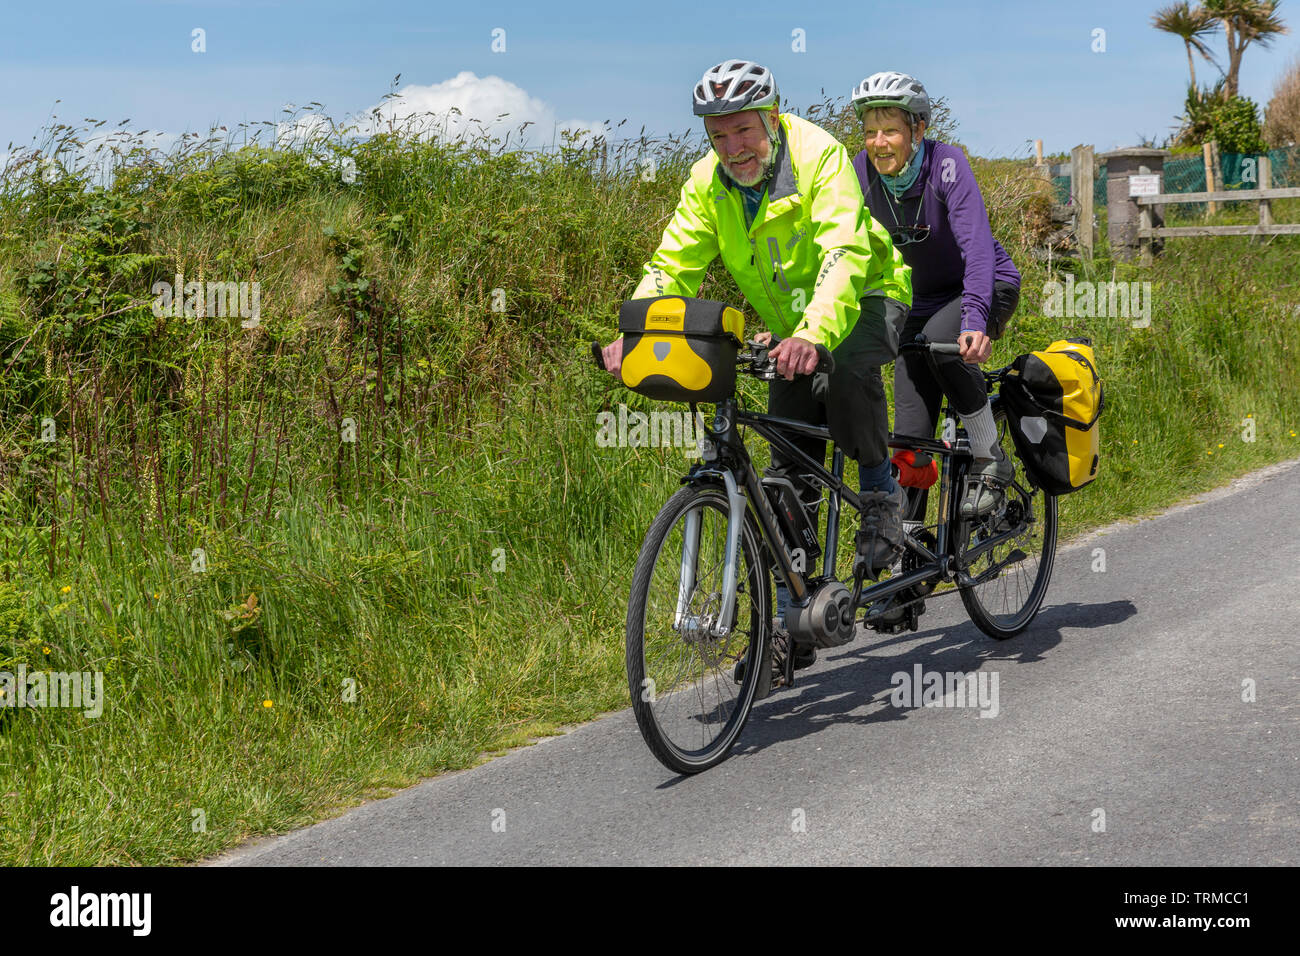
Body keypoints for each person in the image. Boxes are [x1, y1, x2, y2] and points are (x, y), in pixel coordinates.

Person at [600, 59, 912, 691]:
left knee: (847, 367)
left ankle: (881, 495)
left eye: (743, 130)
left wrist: (813, 334)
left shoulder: (818, 155)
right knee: (786, 468)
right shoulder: (708, 184)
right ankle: (786, 628)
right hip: (791, 322)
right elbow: (674, 265)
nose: (733, 148)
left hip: (871, 294)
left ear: (771, 116)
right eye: (718, 136)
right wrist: (637, 331)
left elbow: (845, 252)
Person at [849, 72, 1022, 519]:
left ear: (918, 129)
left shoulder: (947, 164)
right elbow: (843, 249)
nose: (878, 143)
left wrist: (974, 319)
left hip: (984, 285)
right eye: (870, 132)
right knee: (909, 443)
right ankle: (909, 566)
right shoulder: (859, 172)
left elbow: (977, 248)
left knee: (942, 347)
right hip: (918, 301)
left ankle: (990, 457)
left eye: (890, 130)